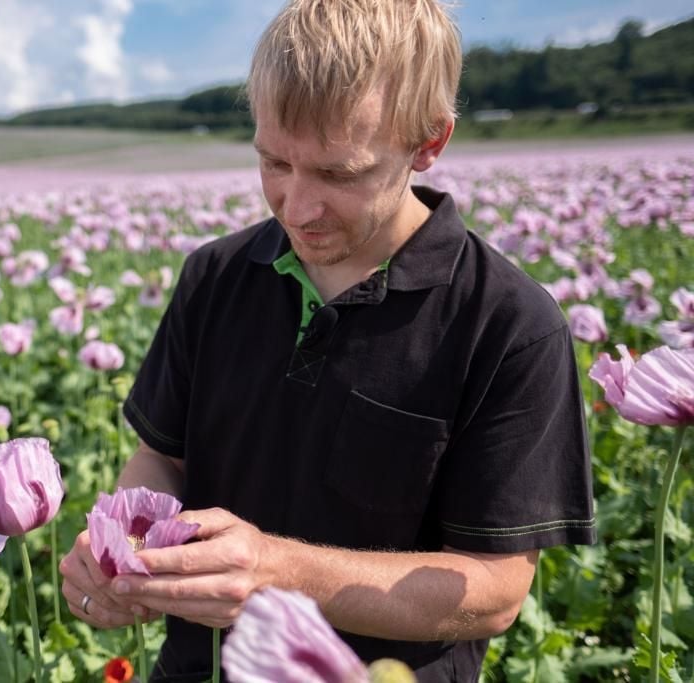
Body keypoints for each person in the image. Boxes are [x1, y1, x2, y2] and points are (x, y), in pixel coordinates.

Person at [60, 1, 597, 680]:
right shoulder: (215, 275)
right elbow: (161, 459)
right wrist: (117, 547)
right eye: (274, 162)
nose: (297, 207)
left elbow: (491, 593)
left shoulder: (509, 324)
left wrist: (275, 571)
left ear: (429, 142)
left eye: (339, 174)